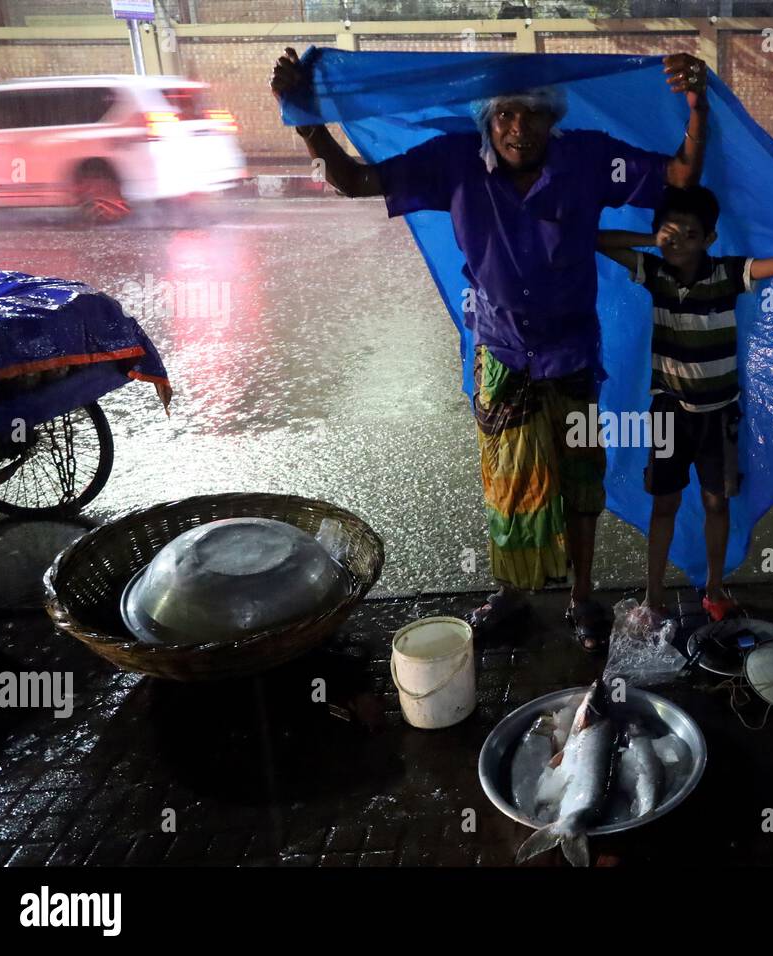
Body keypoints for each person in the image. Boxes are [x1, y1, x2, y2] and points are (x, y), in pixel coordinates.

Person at [270, 47, 710, 652]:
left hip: (574, 359)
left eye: (531, 114)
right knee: (508, 486)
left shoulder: (587, 159)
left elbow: (680, 176)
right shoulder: (453, 163)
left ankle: (582, 598)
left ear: (552, 118)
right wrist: (308, 121)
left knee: (582, 484)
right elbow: (353, 180)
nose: (518, 129)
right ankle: (513, 591)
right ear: (487, 117)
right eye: (504, 114)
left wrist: (695, 105)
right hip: (502, 358)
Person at [596, 185, 773, 622]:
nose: (679, 243)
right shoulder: (654, 272)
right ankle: (653, 597)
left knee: (716, 503)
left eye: (690, 234)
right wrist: (654, 242)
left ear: (709, 238)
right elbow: (595, 239)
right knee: (664, 503)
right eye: (671, 234)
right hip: (668, 415)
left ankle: (713, 589)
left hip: (719, 416)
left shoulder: (727, 274)